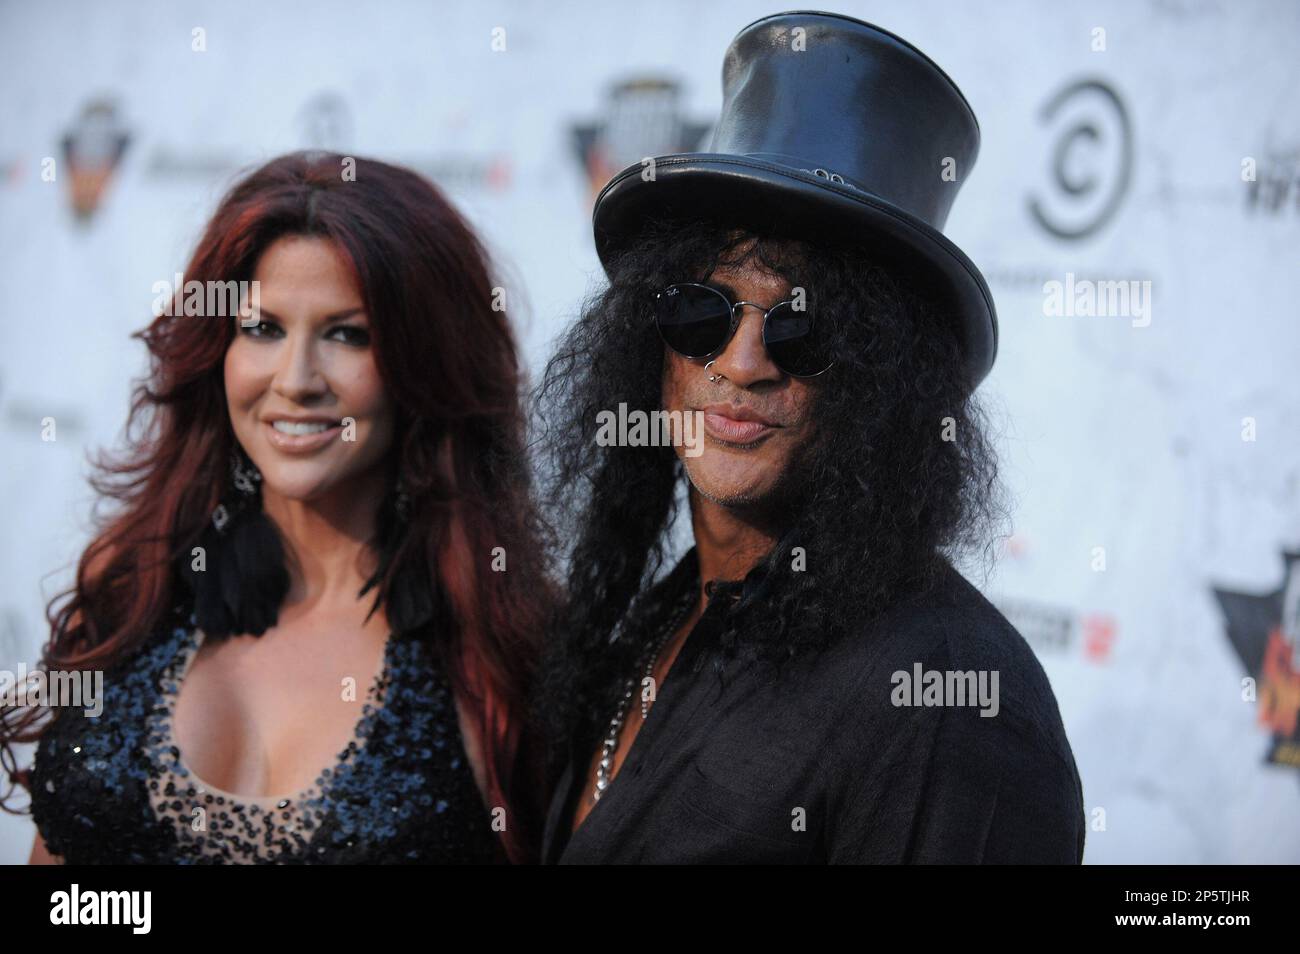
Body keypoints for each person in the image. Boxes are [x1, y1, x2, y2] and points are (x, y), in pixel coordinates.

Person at [533, 12, 1086, 863]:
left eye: (804, 330)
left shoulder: (952, 700)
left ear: (886, 383)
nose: (743, 362)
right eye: (701, 312)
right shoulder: (663, 615)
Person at [6, 151, 552, 864]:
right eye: (262, 329)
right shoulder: (132, 588)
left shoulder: (499, 655)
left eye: (347, 334)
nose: (295, 381)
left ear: (427, 363)